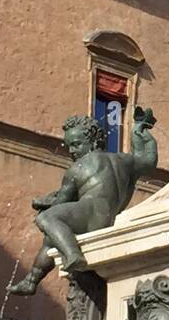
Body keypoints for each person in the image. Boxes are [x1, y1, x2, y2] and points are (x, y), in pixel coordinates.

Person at [9, 106, 157, 295]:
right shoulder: (124, 161)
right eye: (69, 145)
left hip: (90, 215)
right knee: (51, 239)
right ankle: (31, 280)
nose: (71, 150)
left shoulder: (77, 168)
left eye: (76, 144)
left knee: (46, 219)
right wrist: (139, 130)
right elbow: (148, 160)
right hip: (108, 217)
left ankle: (73, 254)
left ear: (94, 142)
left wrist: (45, 203)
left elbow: (60, 203)